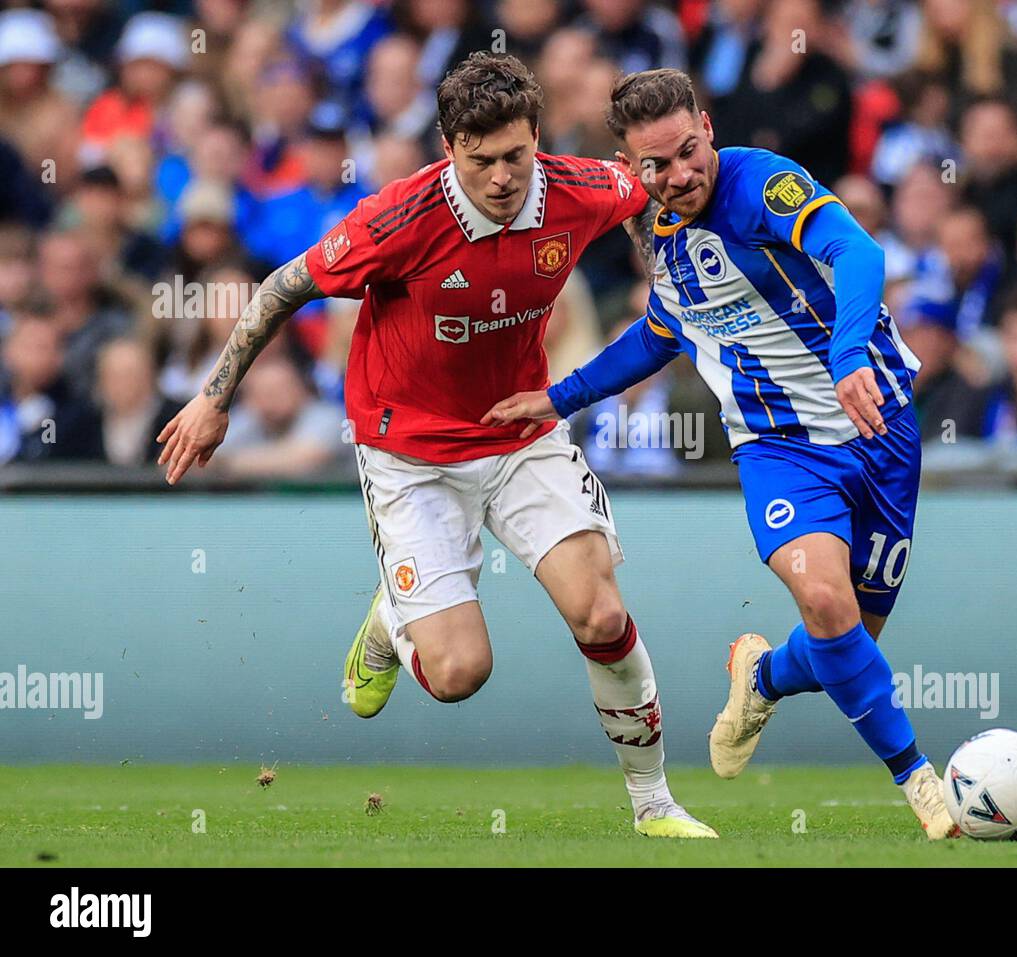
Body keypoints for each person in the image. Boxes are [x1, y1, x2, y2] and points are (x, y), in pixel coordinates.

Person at [155, 53, 714, 840]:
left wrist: (658, 259)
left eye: (515, 156)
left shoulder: (580, 188)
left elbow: (650, 186)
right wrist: (216, 401)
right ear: (449, 147)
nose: (500, 178)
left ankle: (654, 803)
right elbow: (285, 285)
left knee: (599, 611)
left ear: (536, 138)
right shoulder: (399, 219)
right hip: (409, 452)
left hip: (521, 428)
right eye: (480, 160)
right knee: (458, 674)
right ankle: (393, 621)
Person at [486, 68, 959, 840]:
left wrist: (847, 358)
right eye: (657, 166)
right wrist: (560, 394)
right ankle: (922, 784)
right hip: (779, 448)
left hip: (879, 424)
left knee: (849, 645)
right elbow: (659, 335)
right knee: (829, 606)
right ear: (634, 167)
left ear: (706, 129)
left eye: (686, 152)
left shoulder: (762, 182)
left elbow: (860, 255)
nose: (678, 175)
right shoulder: (658, 234)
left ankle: (763, 673)